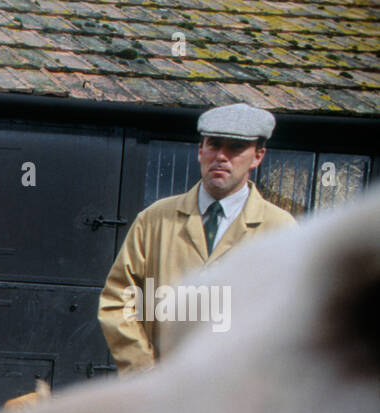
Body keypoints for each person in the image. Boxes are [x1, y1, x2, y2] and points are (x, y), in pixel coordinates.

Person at [98, 103, 297, 374]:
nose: (222, 157)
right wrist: (143, 371)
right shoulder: (156, 219)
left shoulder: (280, 230)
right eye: (214, 145)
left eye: (236, 148)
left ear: (257, 156)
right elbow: (118, 300)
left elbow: (294, 316)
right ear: (200, 150)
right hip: (162, 391)